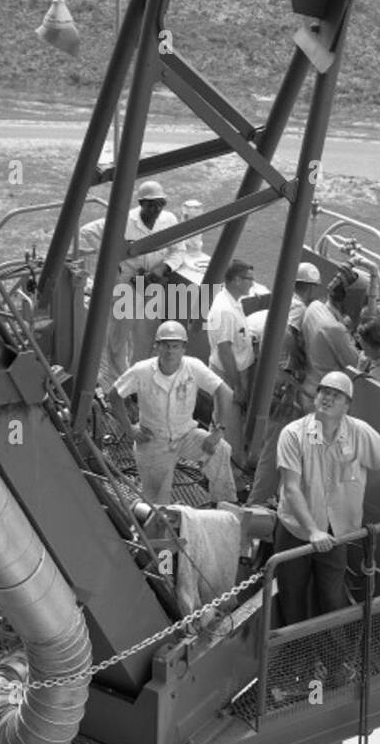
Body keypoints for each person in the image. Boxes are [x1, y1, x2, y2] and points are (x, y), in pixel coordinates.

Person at [274, 371, 380, 625]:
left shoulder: (358, 433)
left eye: (335, 395)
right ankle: (297, 658)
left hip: (338, 534)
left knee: (332, 598)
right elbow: (291, 489)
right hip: (296, 533)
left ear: (347, 406)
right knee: (292, 597)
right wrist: (312, 531)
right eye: (324, 392)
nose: (327, 399)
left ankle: (333, 660)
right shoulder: (293, 435)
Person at [107, 321, 237, 506]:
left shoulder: (193, 367)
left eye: (175, 346)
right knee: (157, 504)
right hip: (153, 441)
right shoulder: (142, 371)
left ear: (184, 348)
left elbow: (224, 392)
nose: (170, 351)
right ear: (156, 347)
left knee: (221, 449)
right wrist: (130, 430)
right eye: (165, 345)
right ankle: (157, 523)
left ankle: (223, 505)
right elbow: (114, 395)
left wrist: (218, 431)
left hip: (185, 434)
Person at [80, 180, 183, 377]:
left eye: (160, 203)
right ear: (141, 203)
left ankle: (140, 375)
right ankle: (118, 376)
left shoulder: (169, 220)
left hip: (152, 285)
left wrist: (163, 267)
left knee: (146, 334)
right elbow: (87, 231)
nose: (156, 209)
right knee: (120, 334)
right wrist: (114, 255)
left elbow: (179, 250)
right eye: (151, 204)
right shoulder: (124, 221)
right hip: (128, 284)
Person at [248, 263, 323, 506]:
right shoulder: (300, 307)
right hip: (282, 386)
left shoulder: (287, 299)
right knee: (275, 450)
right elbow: (288, 335)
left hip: (269, 375)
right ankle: (256, 504)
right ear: (311, 288)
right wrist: (298, 362)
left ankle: (268, 497)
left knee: (277, 445)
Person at [205, 259, 256, 457]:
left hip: (231, 373)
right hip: (229, 375)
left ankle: (211, 467)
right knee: (230, 427)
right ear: (236, 280)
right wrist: (237, 386)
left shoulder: (231, 302)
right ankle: (233, 476)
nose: (252, 283)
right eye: (248, 279)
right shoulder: (225, 309)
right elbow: (225, 350)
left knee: (220, 420)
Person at [300, 272, 360, 406]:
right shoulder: (336, 329)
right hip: (324, 400)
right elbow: (356, 365)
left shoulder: (314, 306)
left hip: (309, 387)